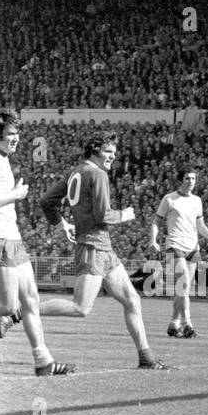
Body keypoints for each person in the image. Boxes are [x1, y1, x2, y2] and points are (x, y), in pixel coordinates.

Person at [37, 131, 170, 369]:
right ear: (95, 150)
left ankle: (146, 359)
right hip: (93, 246)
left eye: (115, 153)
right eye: (109, 152)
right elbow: (103, 215)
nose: (113, 157)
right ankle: (20, 312)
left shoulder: (75, 171)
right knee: (81, 308)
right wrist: (125, 215)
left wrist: (62, 223)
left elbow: (47, 200)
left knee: (132, 300)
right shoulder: (97, 174)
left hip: (102, 248)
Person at [0, 111, 74, 376]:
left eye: (17, 134)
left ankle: (44, 362)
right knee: (8, 307)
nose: (16, 139)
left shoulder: (2, 158)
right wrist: (15, 194)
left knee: (31, 299)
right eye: (10, 135)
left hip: (12, 236)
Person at [149, 169, 208, 338]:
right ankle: (187, 324)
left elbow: (200, 225)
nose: (191, 181)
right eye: (187, 178)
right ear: (180, 180)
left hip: (193, 247)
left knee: (183, 290)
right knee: (183, 284)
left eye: (193, 178)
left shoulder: (197, 201)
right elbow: (156, 222)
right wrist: (153, 240)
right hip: (175, 245)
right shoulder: (169, 199)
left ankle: (174, 325)